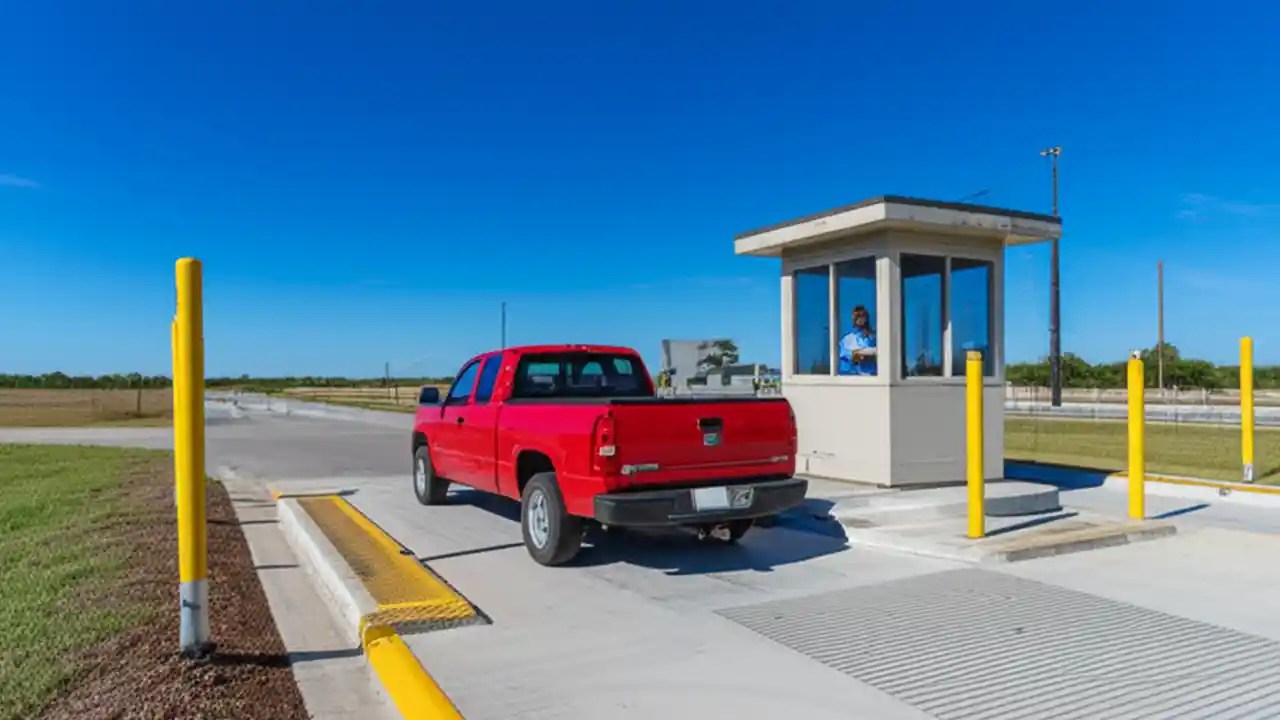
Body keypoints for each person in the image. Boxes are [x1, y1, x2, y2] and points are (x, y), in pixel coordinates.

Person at [839, 305, 877, 375]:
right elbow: (851, 357)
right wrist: (858, 355)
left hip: (875, 379)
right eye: (857, 316)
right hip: (855, 379)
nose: (860, 319)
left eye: (862, 315)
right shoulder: (847, 340)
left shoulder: (876, 338)